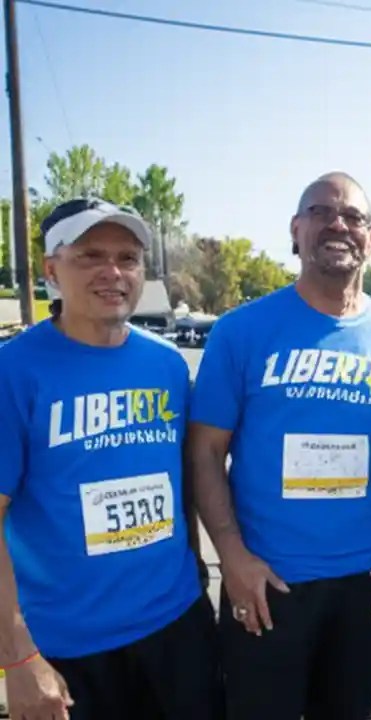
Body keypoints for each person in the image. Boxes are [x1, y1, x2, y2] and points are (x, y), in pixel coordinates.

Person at [188, 172, 371, 720]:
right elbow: (205, 452)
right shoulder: (241, 331)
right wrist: (232, 555)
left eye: (354, 217)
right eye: (321, 212)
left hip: (368, 584)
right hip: (268, 581)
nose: (338, 224)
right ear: (295, 231)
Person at [0, 198, 221, 719]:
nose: (113, 272)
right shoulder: (13, 372)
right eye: (90, 256)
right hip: (68, 646)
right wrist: (18, 657)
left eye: (128, 257)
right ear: (51, 270)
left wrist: (197, 567)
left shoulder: (167, 364)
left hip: (177, 625)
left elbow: (181, 480)